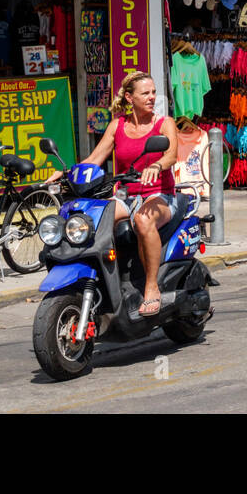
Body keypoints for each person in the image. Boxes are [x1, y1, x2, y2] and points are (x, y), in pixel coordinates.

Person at [48, 71, 178, 316]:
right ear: (129, 97)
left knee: (143, 219)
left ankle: (151, 287)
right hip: (126, 195)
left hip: (159, 194)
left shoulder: (164, 123)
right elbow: (94, 160)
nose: (152, 97)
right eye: (145, 93)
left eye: (153, 92)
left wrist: (157, 165)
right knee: (92, 217)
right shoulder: (117, 125)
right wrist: (65, 174)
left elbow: (171, 154)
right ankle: (104, 279)